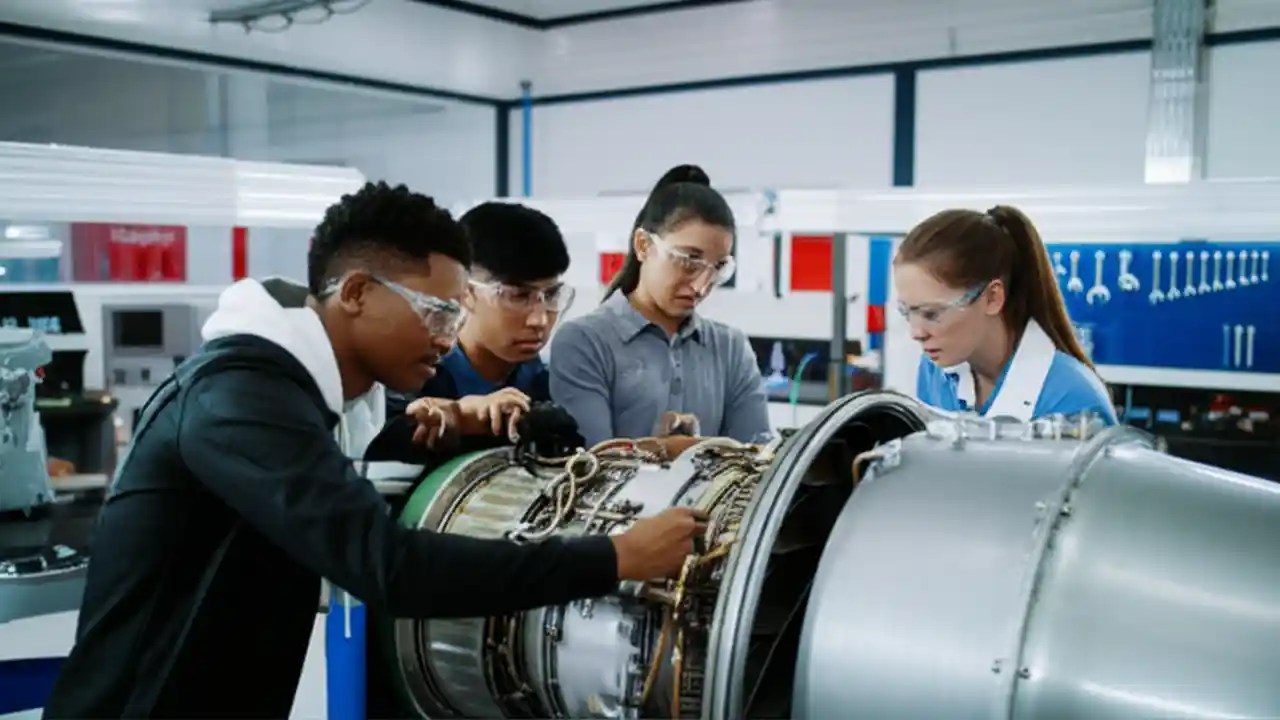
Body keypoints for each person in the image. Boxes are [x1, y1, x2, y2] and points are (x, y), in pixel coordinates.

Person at [42, 182, 705, 719]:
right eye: (439, 312)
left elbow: (322, 468)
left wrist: (451, 422)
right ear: (357, 292)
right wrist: (614, 556)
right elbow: (390, 568)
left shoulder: (296, 396)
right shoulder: (240, 398)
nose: (450, 335)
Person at [549, 165, 771, 446]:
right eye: (690, 261)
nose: (701, 286)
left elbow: (758, 457)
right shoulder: (585, 342)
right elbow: (589, 466)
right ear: (643, 245)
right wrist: (664, 452)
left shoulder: (730, 348)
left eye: (718, 268)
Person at [378, 201, 573, 453]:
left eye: (552, 295)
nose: (540, 320)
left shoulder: (555, 384)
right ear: (465, 292)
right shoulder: (412, 378)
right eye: (518, 296)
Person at [892, 205, 1117, 424]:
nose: (916, 333)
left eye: (931, 314)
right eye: (907, 312)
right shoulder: (935, 373)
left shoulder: (1074, 400)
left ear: (992, 298)